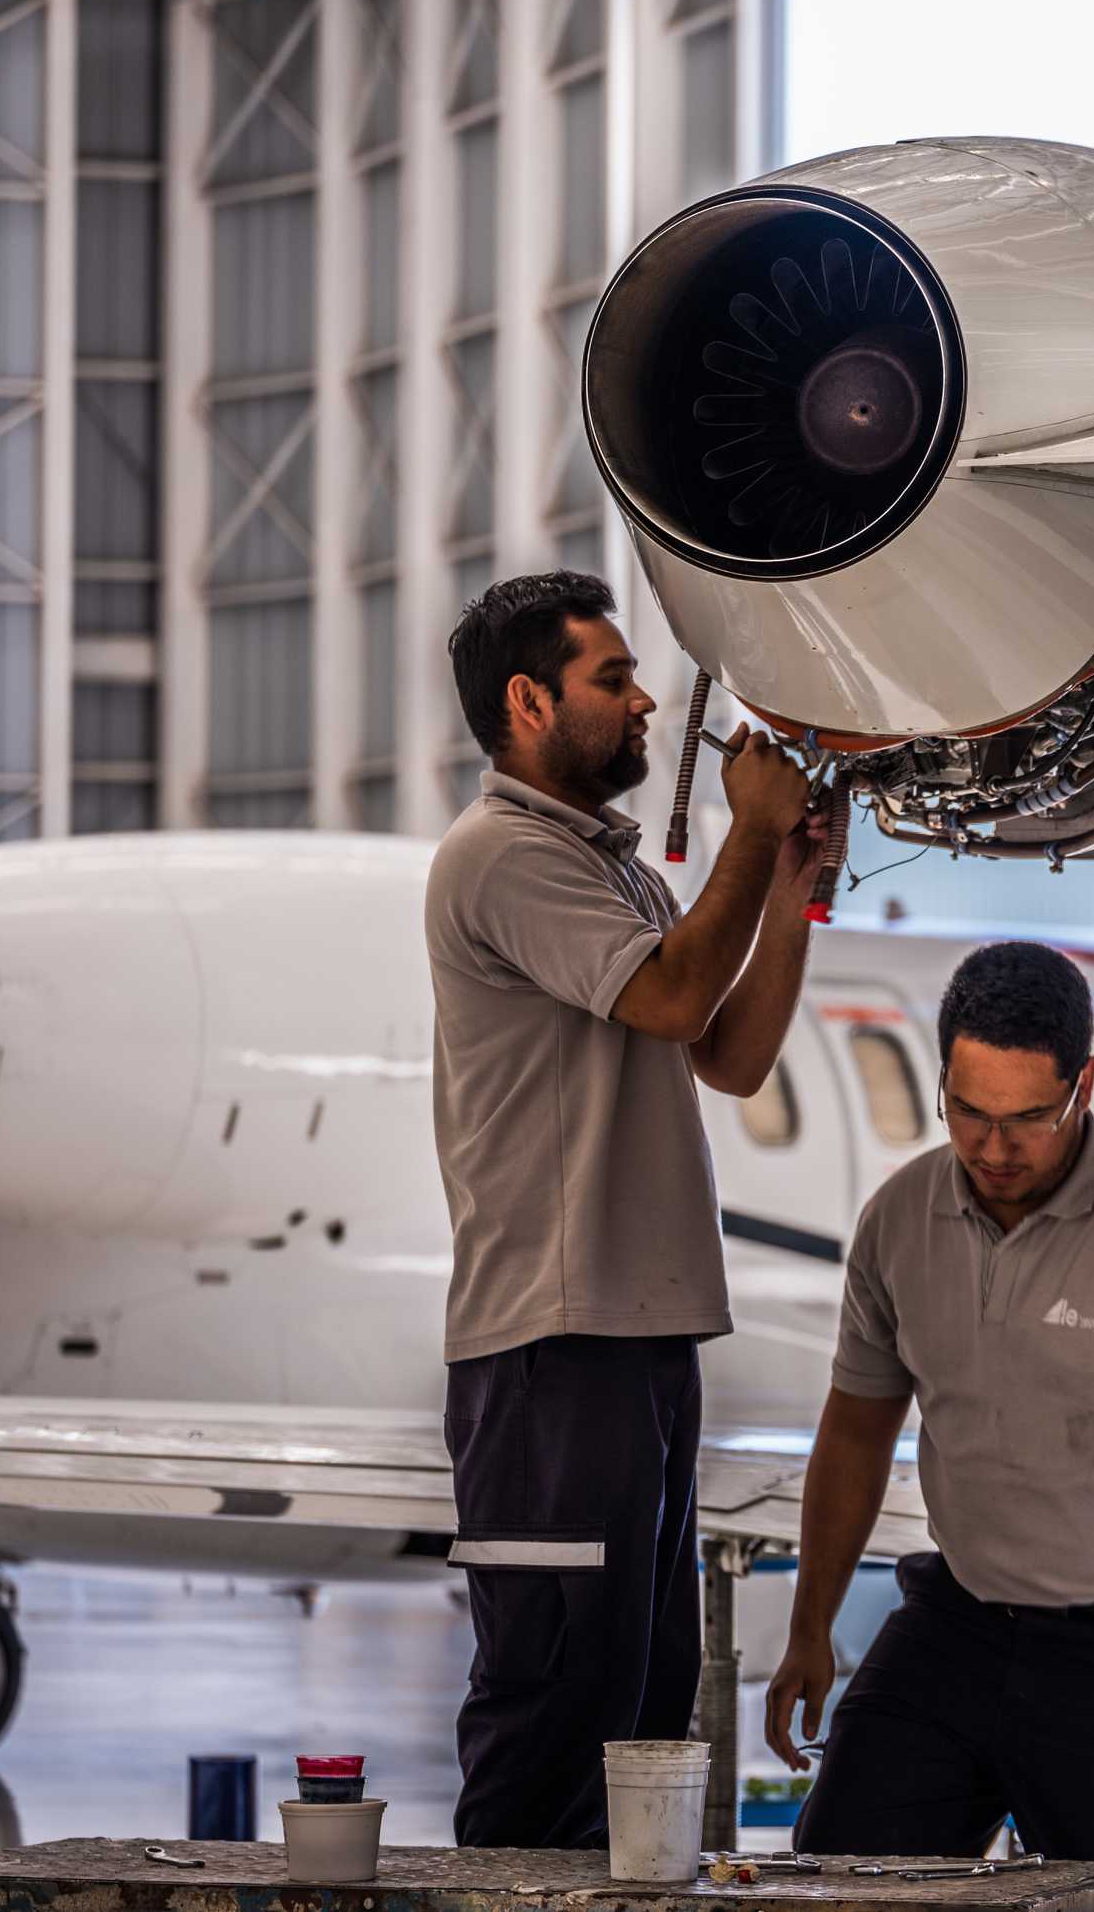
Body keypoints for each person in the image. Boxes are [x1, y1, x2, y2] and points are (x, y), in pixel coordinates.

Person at [426, 569, 819, 1848]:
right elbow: (665, 1000)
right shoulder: (501, 857)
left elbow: (728, 1052)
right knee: (554, 1708)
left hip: (634, 1341)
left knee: (640, 1713)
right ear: (529, 701)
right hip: (552, 1348)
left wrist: (794, 884)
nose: (649, 699)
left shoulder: (610, 871)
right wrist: (750, 835)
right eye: (614, 678)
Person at [763, 943, 1094, 1911]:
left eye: (1028, 1119)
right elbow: (856, 1430)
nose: (995, 1147)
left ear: (1083, 1085)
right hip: (962, 1619)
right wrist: (811, 1627)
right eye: (969, 1112)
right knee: (830, 1882)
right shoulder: (899, 1217)